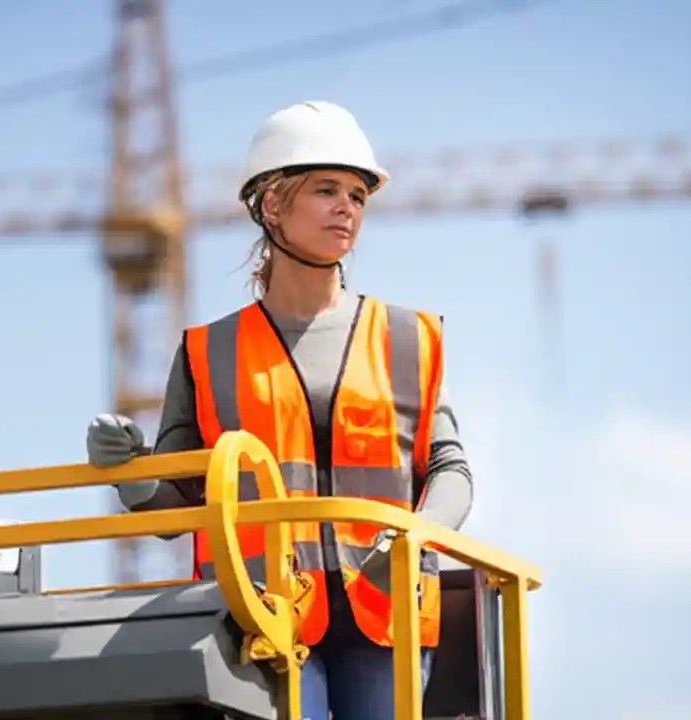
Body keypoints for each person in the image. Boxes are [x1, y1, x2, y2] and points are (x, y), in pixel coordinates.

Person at [86, 100, 473, 720]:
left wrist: (417, 534)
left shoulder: (408, 339)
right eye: (326, 190)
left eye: (357, 194)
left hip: (388, 612)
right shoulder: (206, 353)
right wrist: (132, 475)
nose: (347, 206)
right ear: (271, 205)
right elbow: (176, 509)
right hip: (260, 616)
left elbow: (450, 468)